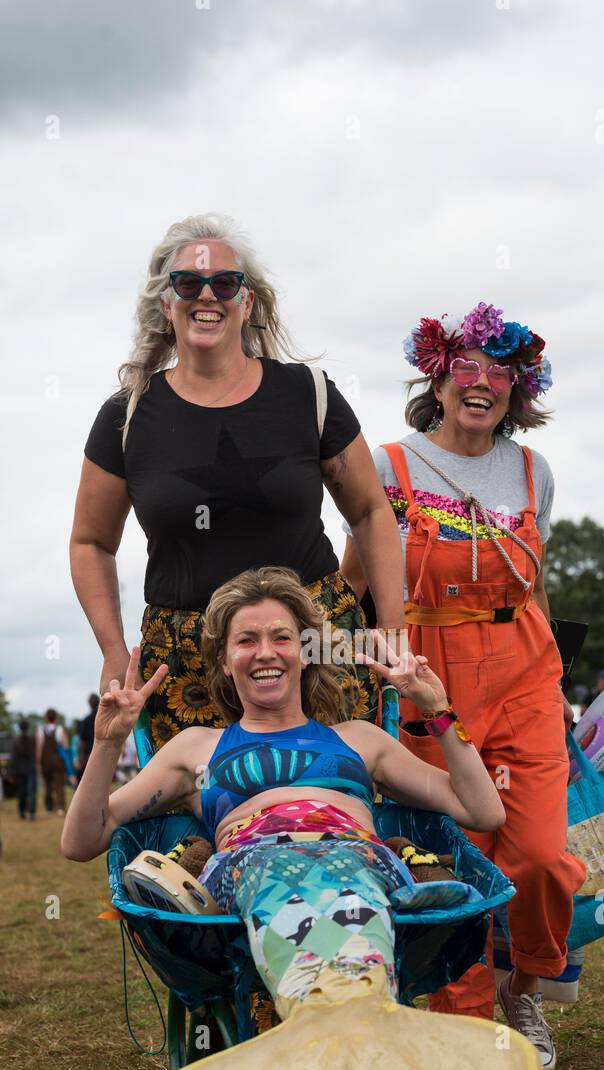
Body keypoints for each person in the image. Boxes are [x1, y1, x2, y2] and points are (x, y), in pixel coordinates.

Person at [60, 566, 604, 1070]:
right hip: (252, 866)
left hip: (358, 862)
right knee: (290, 884)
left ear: (305, 650)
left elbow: (481, 813)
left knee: (350, 883)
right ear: (224, 657)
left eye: (281, 635)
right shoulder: (194, 748)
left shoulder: (359, 737)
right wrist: (107, 745)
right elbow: (81, 841)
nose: (265, 651)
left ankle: (331, 1043)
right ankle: (349, 1048)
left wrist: (439, 715)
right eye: (247, 640)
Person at [341, 303, 583, 1064]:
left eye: (499, 373)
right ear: (437, 380)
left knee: (539, 855)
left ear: (519, 388)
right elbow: (354, 583)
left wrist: (561, 687)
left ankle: (522, 991)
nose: (481, 384)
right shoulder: (387, 466)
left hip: (524, 671)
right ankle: (466, 1030)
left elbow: (533, 585)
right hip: (426, 678)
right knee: (453, 855)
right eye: (465, 370)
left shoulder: (531, 471)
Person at [71, 212, 404, 747]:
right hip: (185, 661)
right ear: (166, 302)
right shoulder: (126, 417)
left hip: (318, 648)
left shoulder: (308, 394)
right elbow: (90, 542)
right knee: (202, 822)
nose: (208, 296)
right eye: (189, 283)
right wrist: (112, 648)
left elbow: (368, 510)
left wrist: (392, 628)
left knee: (335, 813)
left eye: (225, 283)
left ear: (246, 302)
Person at [36, 709, 68, 815]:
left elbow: (39, 749)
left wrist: (38, 764)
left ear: (46, 718)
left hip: (46, 763)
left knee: (47, 786)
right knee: (59, 786)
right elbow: (65, 745)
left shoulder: (40, 730)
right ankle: (60, 808)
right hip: (58, 762)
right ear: (55, 717)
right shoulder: (59, 730)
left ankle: (49, 808)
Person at [9, 719, 37, 819]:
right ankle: (32, 812)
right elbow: (35, 755)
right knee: (31, 791)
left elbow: (13, 758)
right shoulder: (32, 740)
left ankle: (22, 812)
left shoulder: (16, 741)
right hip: (31, 769)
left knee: (21, 791)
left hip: (20, 770)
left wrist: (12, 773)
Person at [76, 694, 99, 781]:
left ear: (89, 704)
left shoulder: (86, 720)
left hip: (90, 754)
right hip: (105, 753)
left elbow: (82, 742)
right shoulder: (105, 717)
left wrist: (81, 758)